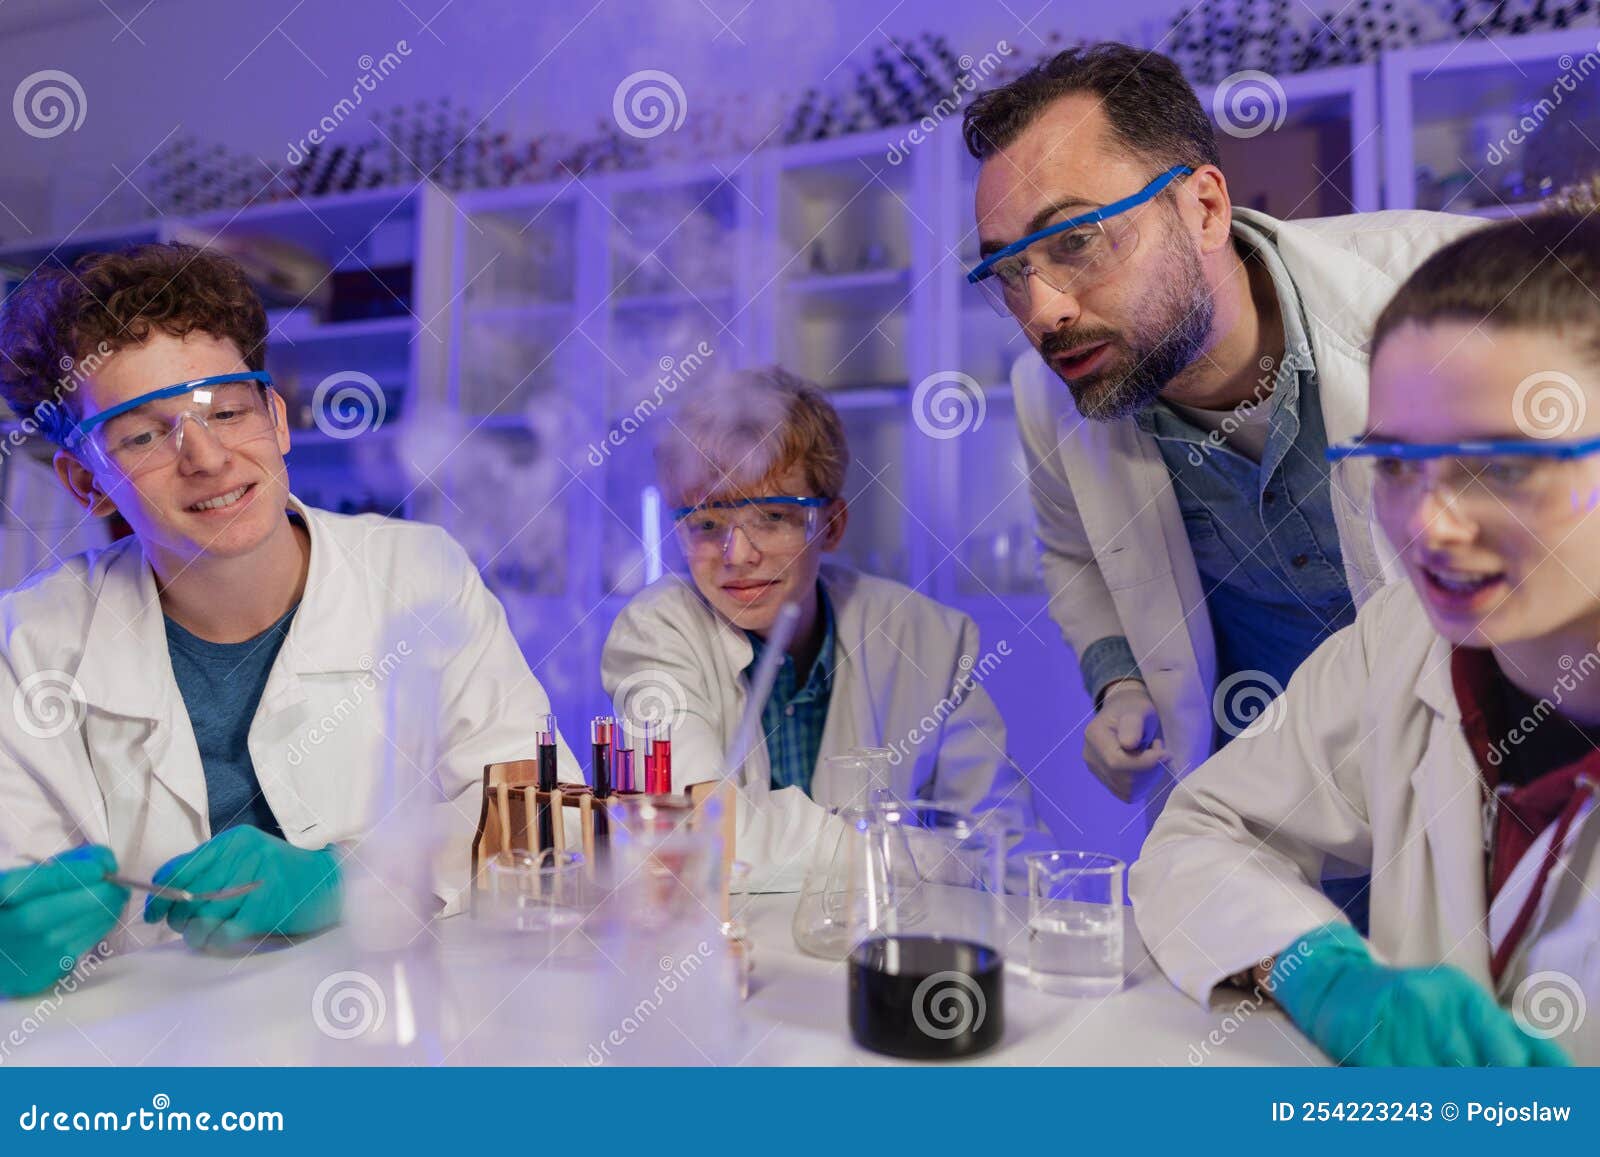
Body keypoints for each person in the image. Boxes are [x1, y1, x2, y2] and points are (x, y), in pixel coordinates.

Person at [0, 243, 580, 997]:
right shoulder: (29, 642)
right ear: (86, 483)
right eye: (143, 434)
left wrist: (344, 878)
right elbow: (21, 890)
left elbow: (547, 819)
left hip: (400, 1033)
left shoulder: (417, 575)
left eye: (228, 411)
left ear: (276, 418)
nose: (206, 457)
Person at [962, 44, 1480, 833]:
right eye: (1007, 269)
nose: (1042, 311)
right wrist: (1120, 682)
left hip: (1491, 788)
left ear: (1203, 209)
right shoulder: (1051, 393)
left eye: (1073, 240)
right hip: (1269, 824)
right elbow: (1073, 550)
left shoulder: (1453, 291)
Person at [1130, 215, 1600, 1066]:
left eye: (1500, 465)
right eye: (1395, 464)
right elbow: (1201, 832)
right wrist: (1320, 970)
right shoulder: (1403, 641)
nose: (1426, 524)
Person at [602, 367, 1032, 890]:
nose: (737, 556)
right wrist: (908, 856)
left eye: (773, 517)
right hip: (726, 964)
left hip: (883, 959)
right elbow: (698, 826)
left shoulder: (929, 640)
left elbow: (1010, 856)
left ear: (831, 526)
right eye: (707, 524)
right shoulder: (656, 632)